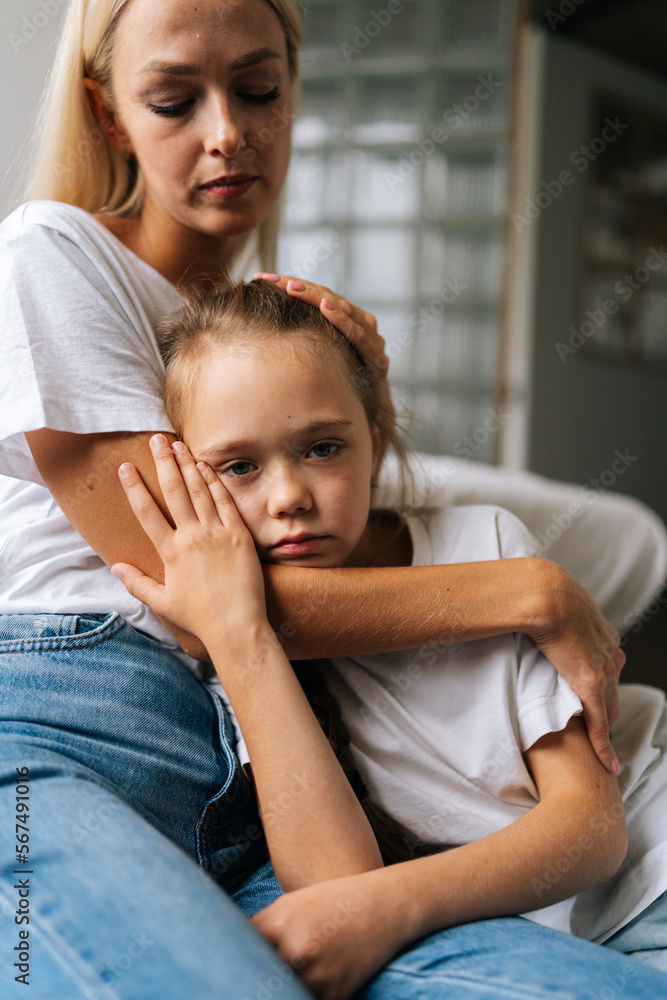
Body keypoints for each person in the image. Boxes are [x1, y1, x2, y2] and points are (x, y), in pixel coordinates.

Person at [0, 0, 659, 995]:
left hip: (253, 777)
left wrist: (365, 400)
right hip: (71, 725)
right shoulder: (54, 251)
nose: (229, 133)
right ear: (106, 114)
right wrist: (531, 588)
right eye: (174, 100)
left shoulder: (268, 321)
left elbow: (316, 547)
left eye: (259, 89)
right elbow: (227, 601)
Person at [111, 279, 667, 1000]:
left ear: (375, 439)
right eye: (238, 467)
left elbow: (592, 832)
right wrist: (240, 635)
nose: (288, 497)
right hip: (538, 945)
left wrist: (387, 905)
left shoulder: (483, 546)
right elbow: (333, 880)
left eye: (322, 448)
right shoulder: (228, 648)